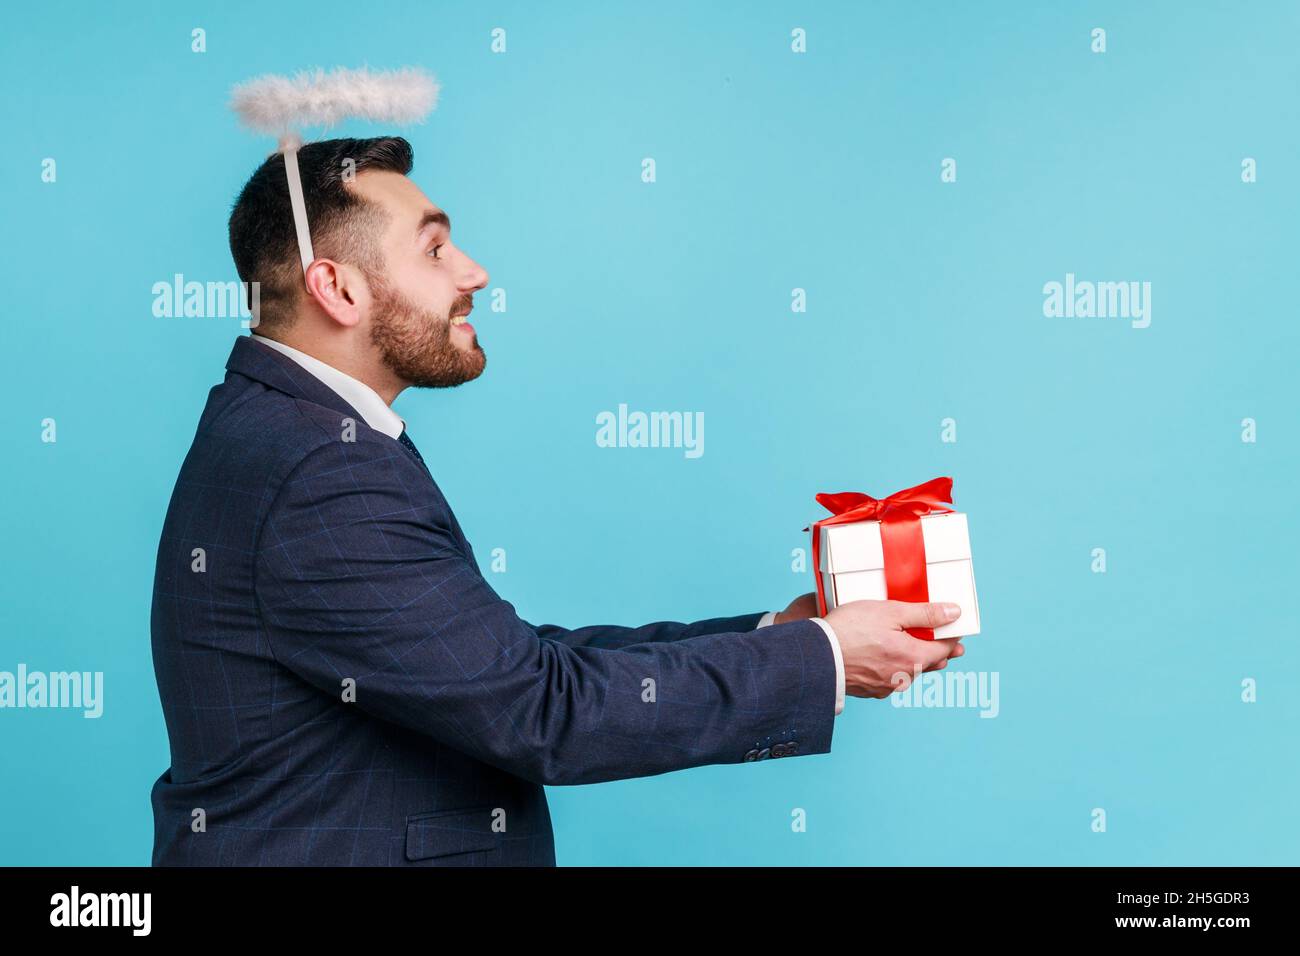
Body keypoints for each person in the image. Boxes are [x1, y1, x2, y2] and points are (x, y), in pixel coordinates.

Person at [149, 136, 965, 866]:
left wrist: (780, 637)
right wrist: (821, 659)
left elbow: (494, 667)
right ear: (338, 288)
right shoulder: (318, 467)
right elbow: (538, 710)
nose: (475, 272)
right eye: (435, 250)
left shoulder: (295, 433)